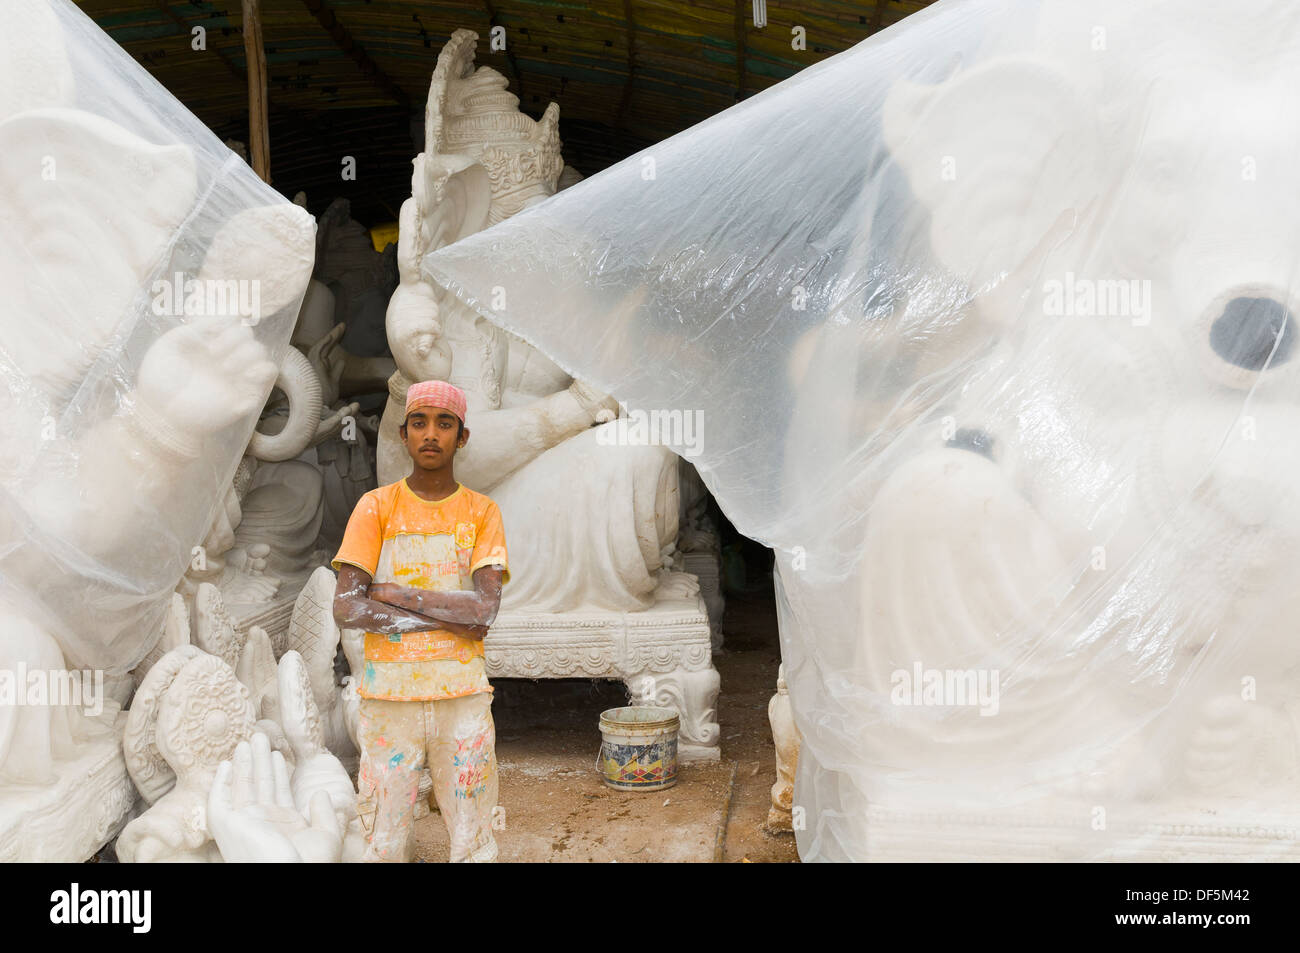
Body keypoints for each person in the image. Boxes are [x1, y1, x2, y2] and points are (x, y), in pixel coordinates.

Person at [331, 379, 508, 862]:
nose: (431, 434)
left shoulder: (481, 512)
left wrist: (394, 596)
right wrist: (448, 616)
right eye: (419, 423)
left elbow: (484, 612)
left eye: (444, 423)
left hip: (463, 696)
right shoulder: (376, 507)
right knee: (383, 840)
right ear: (403, 434)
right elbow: (347, 607)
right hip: (389, 699)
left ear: (462, 437)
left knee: (472, 840)